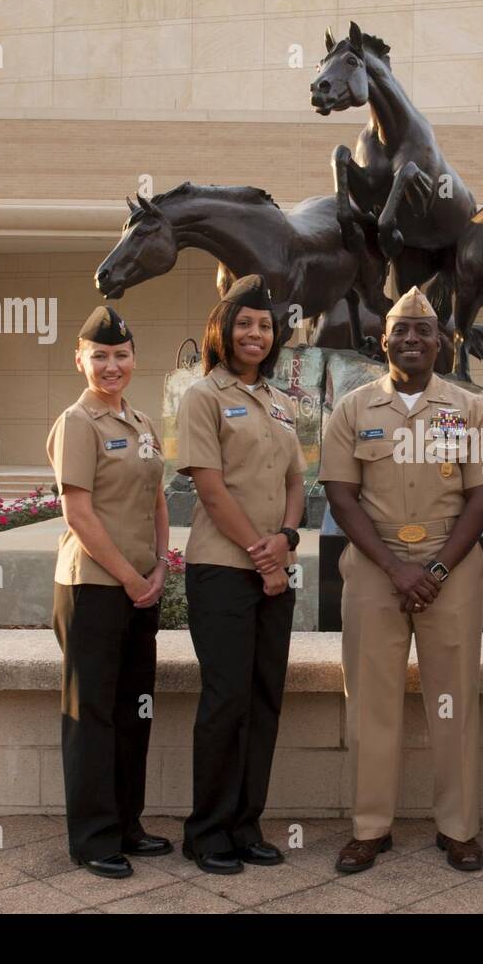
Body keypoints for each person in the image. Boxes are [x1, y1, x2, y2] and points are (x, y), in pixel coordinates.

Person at [321, 286, 483, 873]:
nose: (412, 340)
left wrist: (438, 567)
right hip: (376, 567)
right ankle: (370, 828)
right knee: (370, 700)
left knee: (453, 700)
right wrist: (397, 568)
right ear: (384, 341)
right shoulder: (353, 409)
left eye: (424, 331)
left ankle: (458, 828)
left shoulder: (470, 408)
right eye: (401, 331)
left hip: (451, 566)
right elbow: (342, 498)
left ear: (442, 343)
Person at [175, 275, 306, 875]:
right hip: (223, 570)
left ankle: (247, 825)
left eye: (264, 325)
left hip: (274, 567)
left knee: (263, 699)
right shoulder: (203, 395)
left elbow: (296, 485)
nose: (255, 333)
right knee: (226, 700)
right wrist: (262, 552)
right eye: (245, 323)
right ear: (223, 331)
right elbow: (209, 485)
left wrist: (285, 541)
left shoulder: (282, 403)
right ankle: (207, 831)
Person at [48, 305, 171, 879]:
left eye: (120, 355)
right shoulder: (78, 422)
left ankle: (127, 823)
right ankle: (93, 838)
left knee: (133, 710)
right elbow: (79, 512)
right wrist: (129, 576)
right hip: (95, 586)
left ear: (133, 360)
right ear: (80, 359)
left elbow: (157, 500)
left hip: (141, 588)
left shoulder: (143, 423)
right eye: (99, 355)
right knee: (91, 714)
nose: (111, 365)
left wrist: (162, 567)